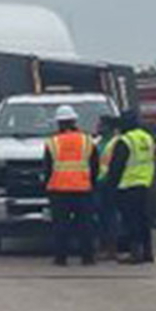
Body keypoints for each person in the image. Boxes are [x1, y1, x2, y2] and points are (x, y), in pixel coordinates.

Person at [42, 105, 99, 267]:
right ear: (74, 121)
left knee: (61, 226)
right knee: (85, 226)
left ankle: (61, 258)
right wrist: (91, 184)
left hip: (59, 191)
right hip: (83, 190)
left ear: (59, 123)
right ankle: (87, 258)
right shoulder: (87, 141)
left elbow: (47, 167)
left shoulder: (53, 142)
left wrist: (47, 187)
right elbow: (95, 166)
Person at [104, 110, 156, 263]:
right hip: (145, 184)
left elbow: (116, 166)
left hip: (128, 185)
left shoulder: (125, 141)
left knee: (131, 220)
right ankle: (148, 252)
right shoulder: (147, 138)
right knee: (143, 220)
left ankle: (135, 253)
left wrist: (110, 186)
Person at [93, 115, 122, 258]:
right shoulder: (98, 142)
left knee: (110, 217)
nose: (97, 127)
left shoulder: (116, 142)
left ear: (109, 127)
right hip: (99, 184)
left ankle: (111, 248)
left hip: (110, 184)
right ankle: (103, 246)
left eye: (100, 124)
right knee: (100, 217)